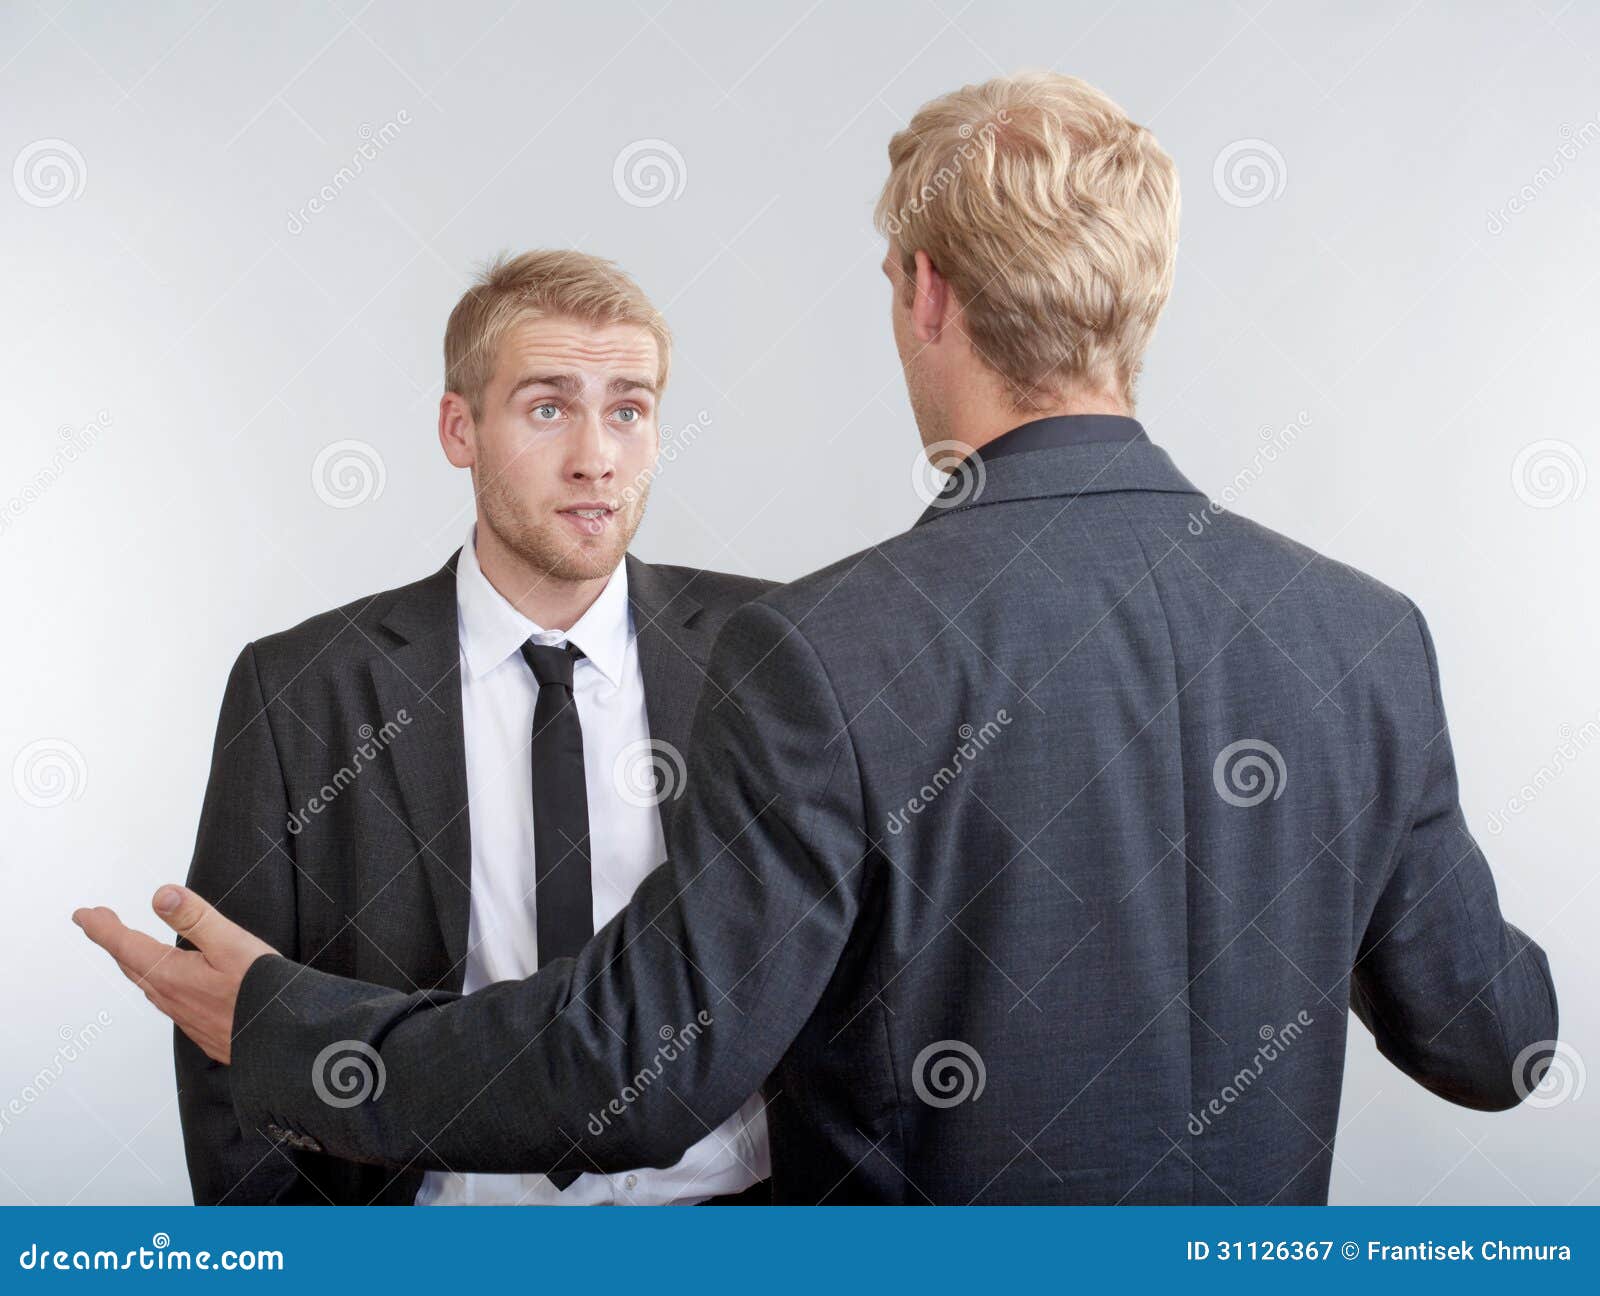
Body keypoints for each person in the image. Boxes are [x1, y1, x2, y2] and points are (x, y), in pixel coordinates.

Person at [80, 72, 1557, 1205]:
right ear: (1143, 295)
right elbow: (1494, 1041)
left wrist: (285, 1024)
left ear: (924, 294)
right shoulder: (1363, 638)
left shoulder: (826, 648)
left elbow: (637, 1064)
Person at [167, 250, 772, 1205]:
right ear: (461, 429)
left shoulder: (772, 655)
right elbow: (229, 1034)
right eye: (547, 407)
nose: (595, 456)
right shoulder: (301, 692)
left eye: (628, 408)